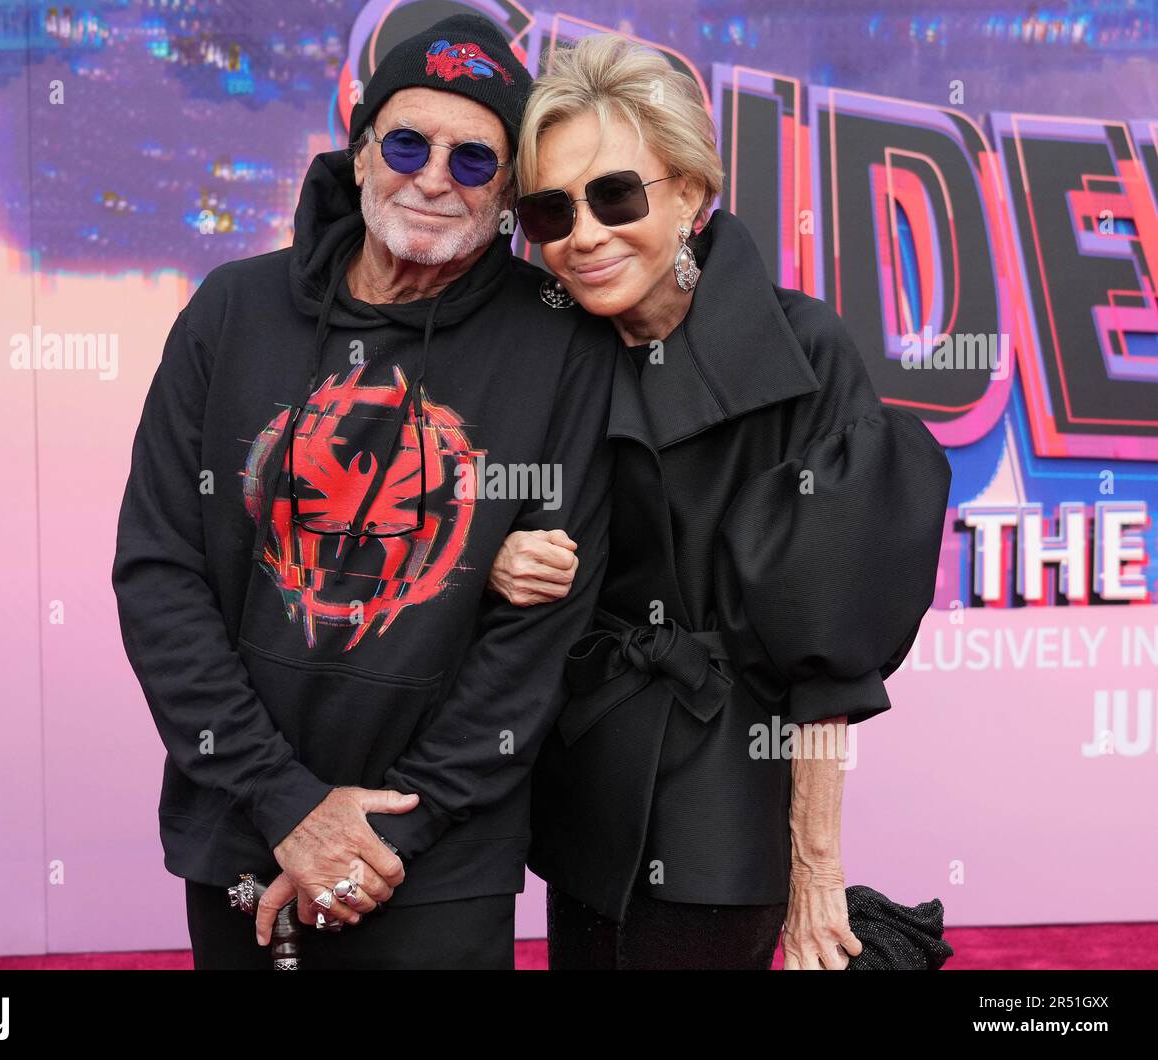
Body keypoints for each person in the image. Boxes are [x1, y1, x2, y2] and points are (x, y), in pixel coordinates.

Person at [111, 13, 615, 970]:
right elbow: (157, 573)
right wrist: (286, 805)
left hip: (441, 855)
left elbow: (543, 633)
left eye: (474, 161)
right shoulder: (231, 309)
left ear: (507, 190)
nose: (433, 177)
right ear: (359, 148)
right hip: (243, 831)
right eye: (408, 143)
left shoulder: (560, 342)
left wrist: (383, 840)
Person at [488, 34, 952, 970]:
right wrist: (497, 553)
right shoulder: (546, 352)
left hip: (728, 780)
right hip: (587, 772)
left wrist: (816, 866)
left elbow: (829, 654)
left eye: (617, 195)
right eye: (550, 210)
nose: (584, 235)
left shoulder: (801, 349)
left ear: (692, 193)